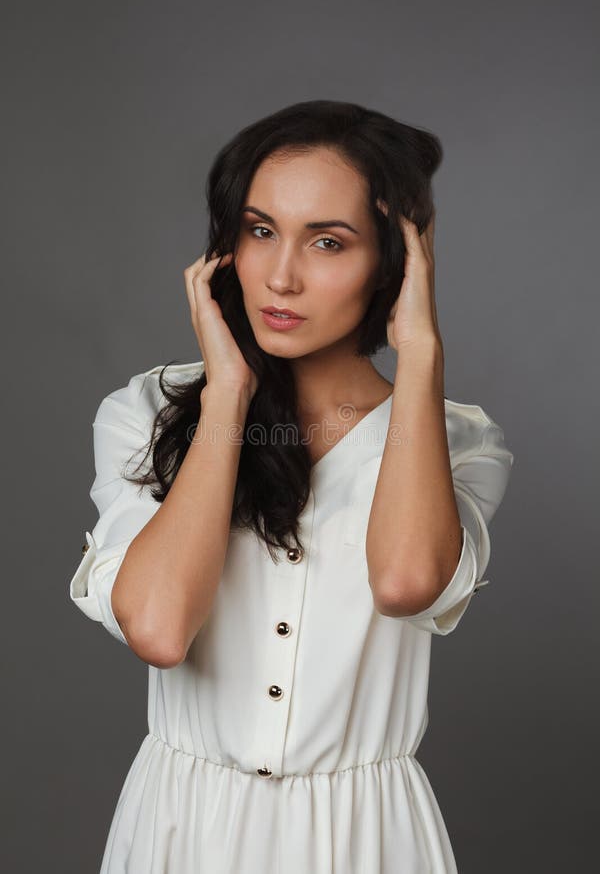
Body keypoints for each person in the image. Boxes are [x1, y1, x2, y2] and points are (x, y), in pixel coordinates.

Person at [69, 99, 514, 873]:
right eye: (260, 230)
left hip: (367, 839)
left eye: (328, 242)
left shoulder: (459, 442)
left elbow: (407, 582)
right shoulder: (145, 414)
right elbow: (160, 630)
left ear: (393, 263)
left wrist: (421, 352)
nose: (281, 277)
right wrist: (228, 396)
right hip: (184, 830)